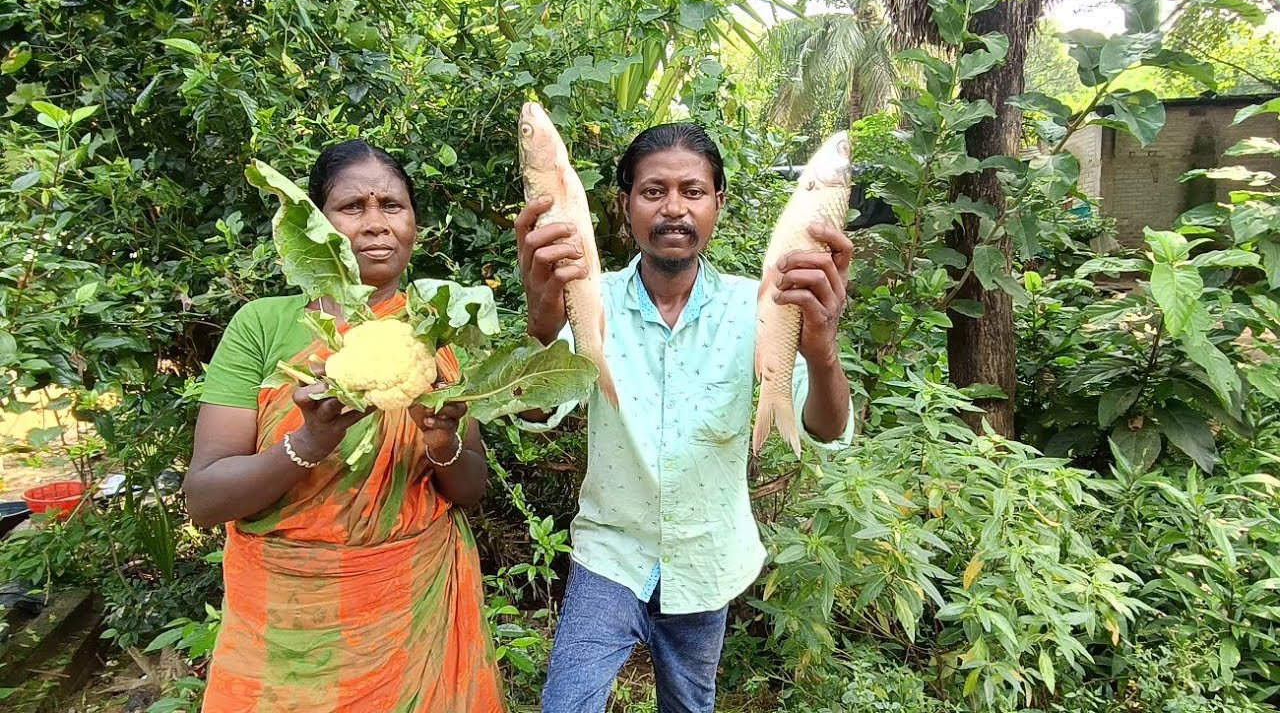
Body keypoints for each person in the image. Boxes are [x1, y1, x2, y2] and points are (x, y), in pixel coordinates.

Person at [515, 123, 855, 713]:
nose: (674, 208)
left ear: (718, 203)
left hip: (707, 559)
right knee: (566, 703)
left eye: (693, 191)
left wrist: (822, 349)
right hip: (610, 556)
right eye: (653, 191)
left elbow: (825, 428)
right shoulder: (590, 300)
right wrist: (543, 326)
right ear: (624, 205)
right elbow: (540, 409)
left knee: (689, 705)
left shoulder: (760, 307)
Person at [186, 140, 505, 713]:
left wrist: (442, 442)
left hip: (414, 612)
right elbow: (206, 499)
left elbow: (470, 491)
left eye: (393, 205)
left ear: (415, 223)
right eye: (352, 207)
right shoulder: (263, 326)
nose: (376, 224)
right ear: (318, 225)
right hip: (284, 623)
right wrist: (310, 442)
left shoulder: (439, 332)